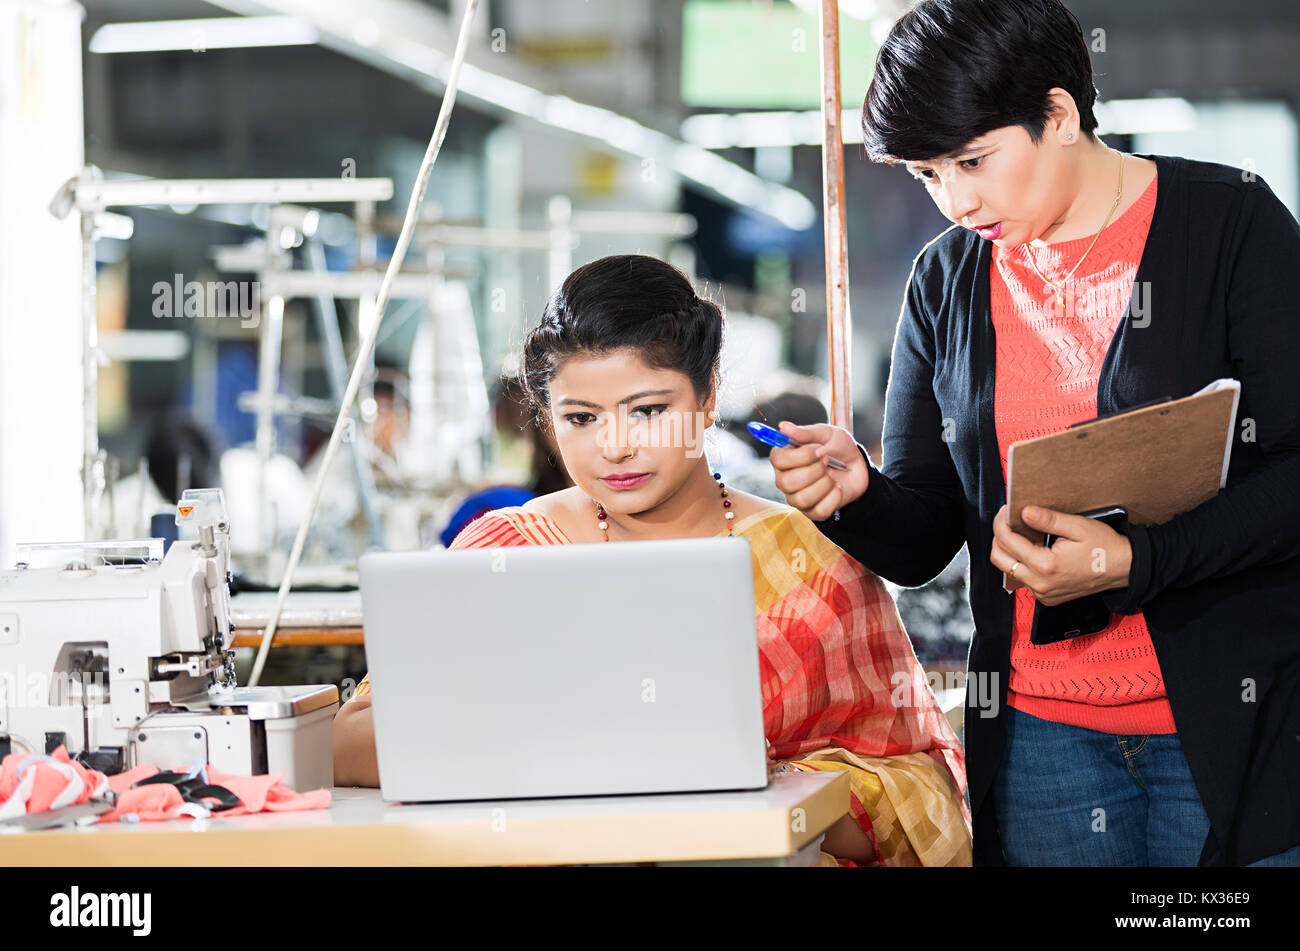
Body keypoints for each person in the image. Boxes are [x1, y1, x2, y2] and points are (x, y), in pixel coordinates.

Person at [771, 0, 1300, 867]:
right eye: (927, 174)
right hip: (1044, 738)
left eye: (973, 161)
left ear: (1058, 115)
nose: (955, 200)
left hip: (1229, 723)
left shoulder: (1230, 226)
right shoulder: (945, 279)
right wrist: (857, 493)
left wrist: (1137, 563)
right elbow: (927, 533)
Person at [334, 254, 971, 866]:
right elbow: (347, 744)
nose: (615, 446)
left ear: (707, 396)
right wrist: (546, 740)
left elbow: (921, 798)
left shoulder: (808, 561)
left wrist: (771, 788)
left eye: (649, 411)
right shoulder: (505, 549)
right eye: (581, 418)